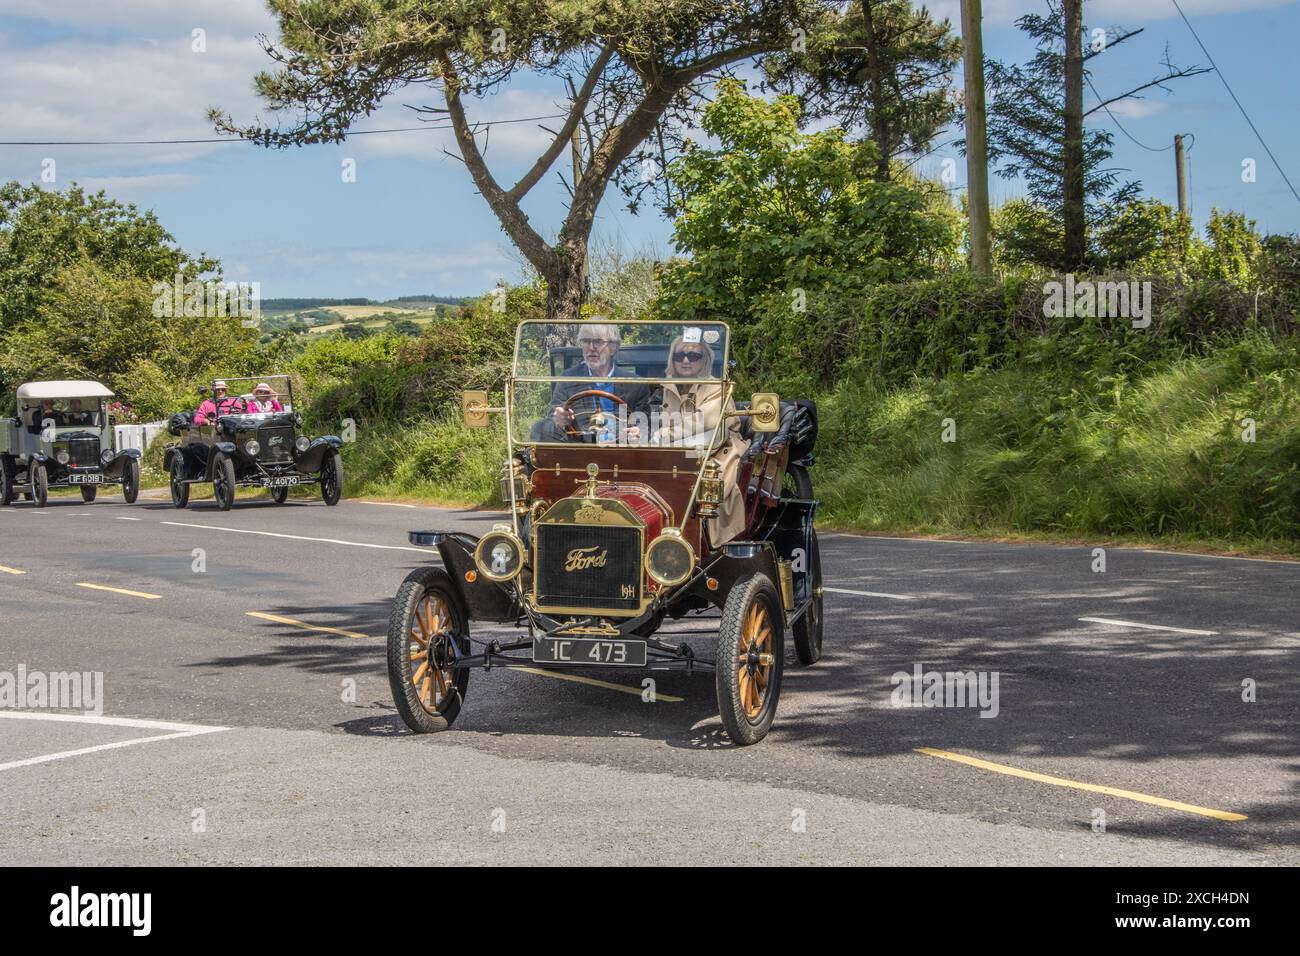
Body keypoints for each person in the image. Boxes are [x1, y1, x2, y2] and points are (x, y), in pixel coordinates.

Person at [653, 333, 749, 547]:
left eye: (693, 356)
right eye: (679, 356)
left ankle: (700, 542)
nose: (685, 360)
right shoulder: (666, 388)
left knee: (708, 484)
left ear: (705, 360)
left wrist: (662, 435)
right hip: (673, 451)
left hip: (717, 449)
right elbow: (652, 418)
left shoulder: (718, 388)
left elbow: (703, 421)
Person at [531, 322, 652, 443]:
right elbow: (553, 417)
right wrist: (559, 419)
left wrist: (639, 430)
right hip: (579, 451)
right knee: (540, 428)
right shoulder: (568, 379)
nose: (591, 347)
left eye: (598, 341)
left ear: (613, 347)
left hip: (621, 452)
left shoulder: (635, 384)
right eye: (586, 341)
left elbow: (646, 424)